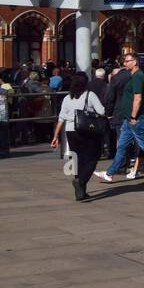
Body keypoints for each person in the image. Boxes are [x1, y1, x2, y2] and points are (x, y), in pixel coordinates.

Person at [97, 52, 144, 185]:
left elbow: (137, 98)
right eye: (124, 61)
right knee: (121, 146)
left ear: (135, 62)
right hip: (129, 120)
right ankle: (110, 173)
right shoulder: (133, 76)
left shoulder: (138, 77)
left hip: (137, 119)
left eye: (127, 61)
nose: (125, 63)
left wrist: (133, 116)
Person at [52, 72, 106, 201]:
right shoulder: (90, 95)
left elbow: (61, 118)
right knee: (93, 157)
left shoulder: (67, 98)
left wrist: (55, 136)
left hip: (70, 131)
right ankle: (81, 182)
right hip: (86, 130)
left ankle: (81, 192)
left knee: (78, 159)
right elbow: (102, 111)